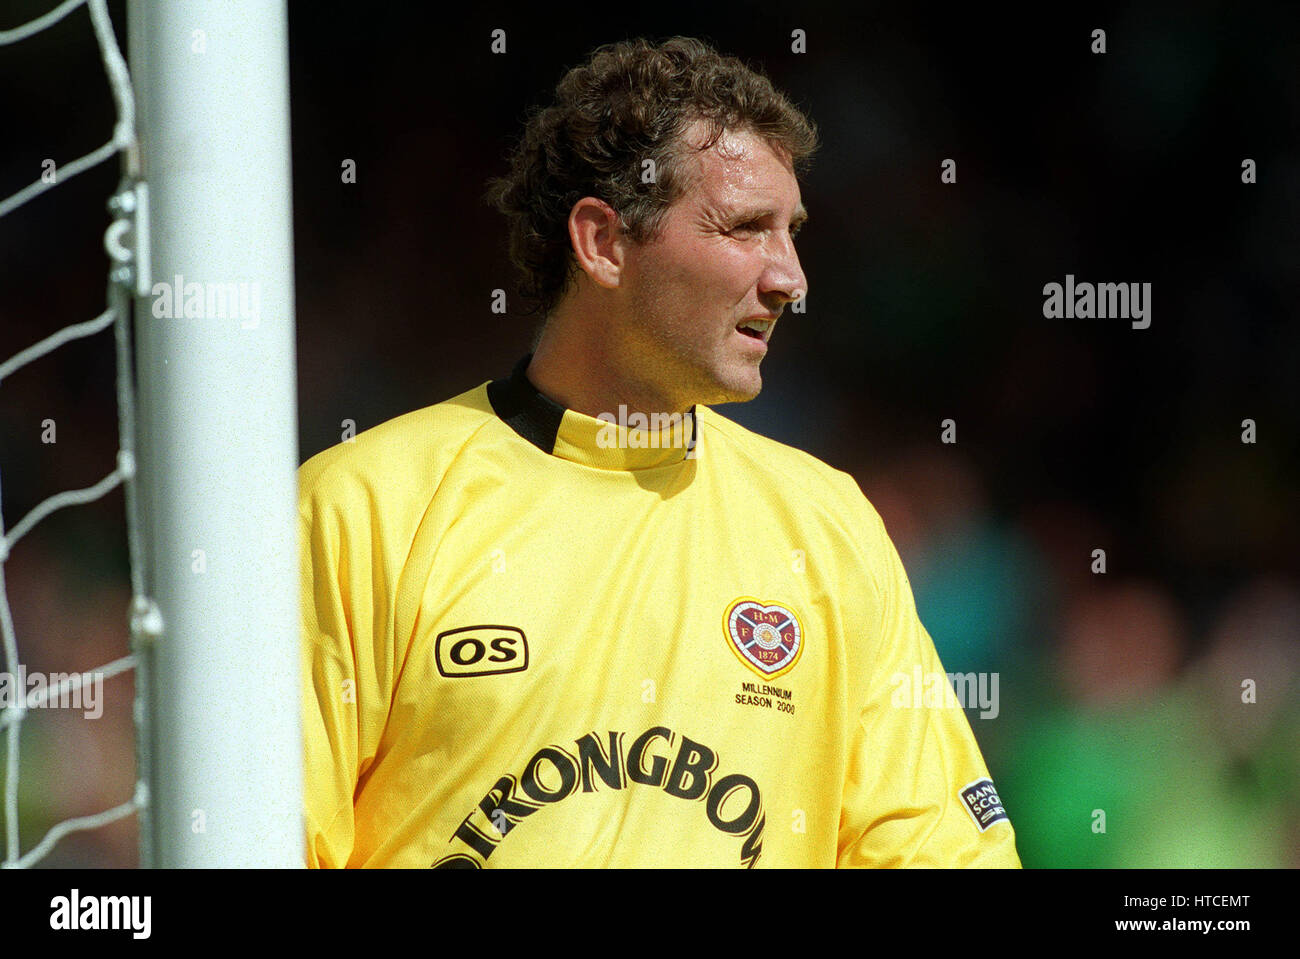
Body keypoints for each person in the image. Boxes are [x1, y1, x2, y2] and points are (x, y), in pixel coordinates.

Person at [298, 36, 1021, 868]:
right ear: (604, 242)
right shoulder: (362, 507)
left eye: (792, 233)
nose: (790, 277)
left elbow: (940, 850)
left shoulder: (828, 526)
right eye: (746, 228)